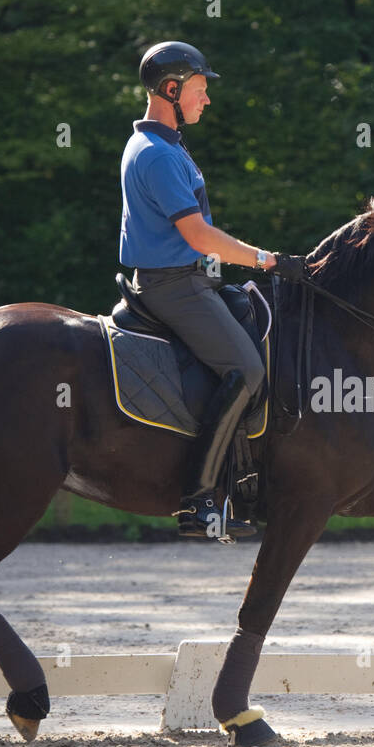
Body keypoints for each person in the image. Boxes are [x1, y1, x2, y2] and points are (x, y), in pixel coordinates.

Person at [120, 41, 301, 539]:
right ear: (172, 90)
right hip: (173, 285)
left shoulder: (170, 145)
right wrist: (269, 260)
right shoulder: (157, 154)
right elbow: (197, 236)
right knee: (245, 371)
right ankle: (197, 501)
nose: (207, 100)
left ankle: (243, 490)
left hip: (193, 278)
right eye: (200, 90)